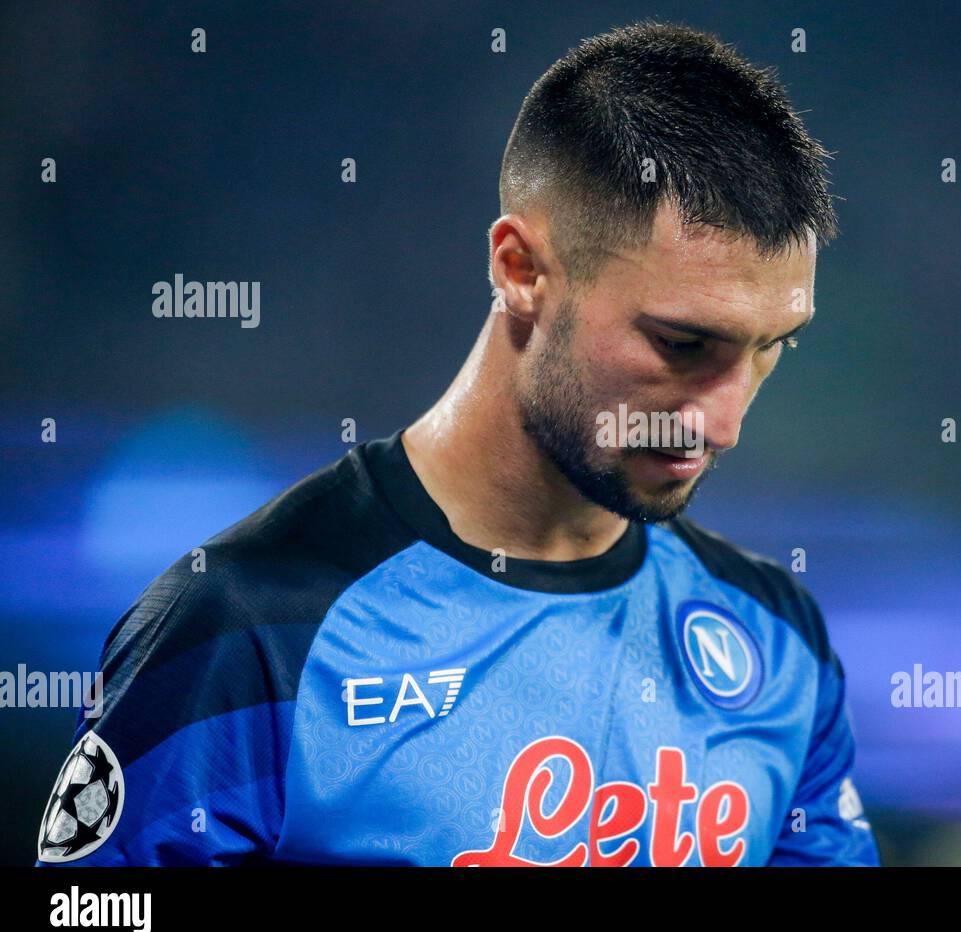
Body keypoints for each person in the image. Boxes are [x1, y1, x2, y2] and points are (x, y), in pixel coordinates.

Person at [37, 20, 880, 866]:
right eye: (682, 344)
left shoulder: (777, 642)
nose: (723, 422)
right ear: (520, 270)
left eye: (770, 347)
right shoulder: (244, 633)